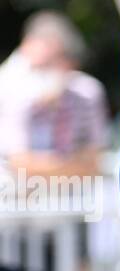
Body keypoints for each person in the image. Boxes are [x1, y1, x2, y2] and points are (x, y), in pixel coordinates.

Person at [0, 11, 108, 178]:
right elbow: (19, 164)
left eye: (56, 60)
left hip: (78, 193)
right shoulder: (9, 88)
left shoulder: (86, 91)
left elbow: (94, 159)